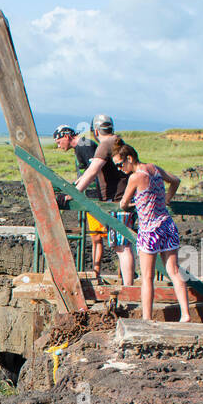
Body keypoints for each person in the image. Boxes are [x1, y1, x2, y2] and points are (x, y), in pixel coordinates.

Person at [113, 141, 190, 323]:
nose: (119, 168)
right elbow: (176, 181)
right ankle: (185, 314)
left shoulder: (135, 177)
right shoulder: (154, 169)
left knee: (147, 277)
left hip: (149, 230)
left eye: (120, 164)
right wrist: (167, 199)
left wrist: (132, 204)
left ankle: (147, 318)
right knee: (174, 270)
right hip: (167, 224)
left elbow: (123, 203)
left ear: (130, 158)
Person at [53, 121, 134, 284]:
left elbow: (93, 171)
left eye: (58, 141)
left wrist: (73, 193)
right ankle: (122, 277)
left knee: (108, 239)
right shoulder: (83, 146)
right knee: (114, 241)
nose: (58, 146)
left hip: (102, 196)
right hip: (103, 195)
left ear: (67, 136)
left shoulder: (84, 144)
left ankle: (117, 278)